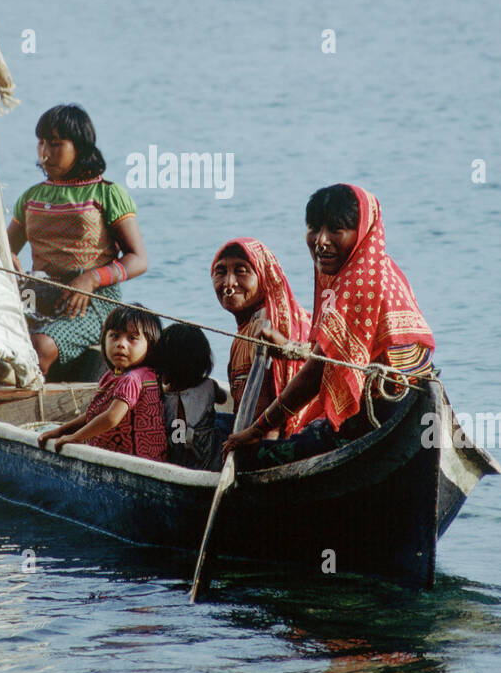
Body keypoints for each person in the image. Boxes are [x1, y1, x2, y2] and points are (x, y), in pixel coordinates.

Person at [224, 185, 435, 468]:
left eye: (336, 229)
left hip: (378, 414)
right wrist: (289, 348)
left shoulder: (357, 284)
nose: (321, 241)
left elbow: (316, 373)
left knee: (251, 458)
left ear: (360, 232)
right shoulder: (384, 268)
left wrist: (258, 429)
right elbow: (329, 354)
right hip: (406, 400)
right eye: (313, 228)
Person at [7, 104, 148, 378]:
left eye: (56, 144)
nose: (45, 153)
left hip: (93, 300)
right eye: (41, 143)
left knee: (40, 347)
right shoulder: (31, 197)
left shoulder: (107, 194)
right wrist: (6, 260)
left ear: (80, 147)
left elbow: (138, 259)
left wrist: (91, 280)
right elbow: (4, 248)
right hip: (37, 294)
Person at [37, 305, 166, 461]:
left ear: (150, 346)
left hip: (133, 461)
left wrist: (76, 437)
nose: (121, 344)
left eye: (132, 338)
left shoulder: (133, 379)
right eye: (115, 336)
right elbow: (95, 414)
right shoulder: (114, 376)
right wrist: (61, 431)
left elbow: (111, 417)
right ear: (104, 340)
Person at [211, 238, 312, 437]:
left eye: (241, 271)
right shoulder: (245, 329)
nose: (229, 284)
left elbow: (268, 409)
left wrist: (260, 456)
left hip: (278, 440)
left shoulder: (264, 322)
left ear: (263, 277)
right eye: (221, 272)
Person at [158, 323, 228, 471]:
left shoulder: (162, 397)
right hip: (208, 456)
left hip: (176, 458)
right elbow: (223, 398)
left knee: (176, 439)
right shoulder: (210, 386)